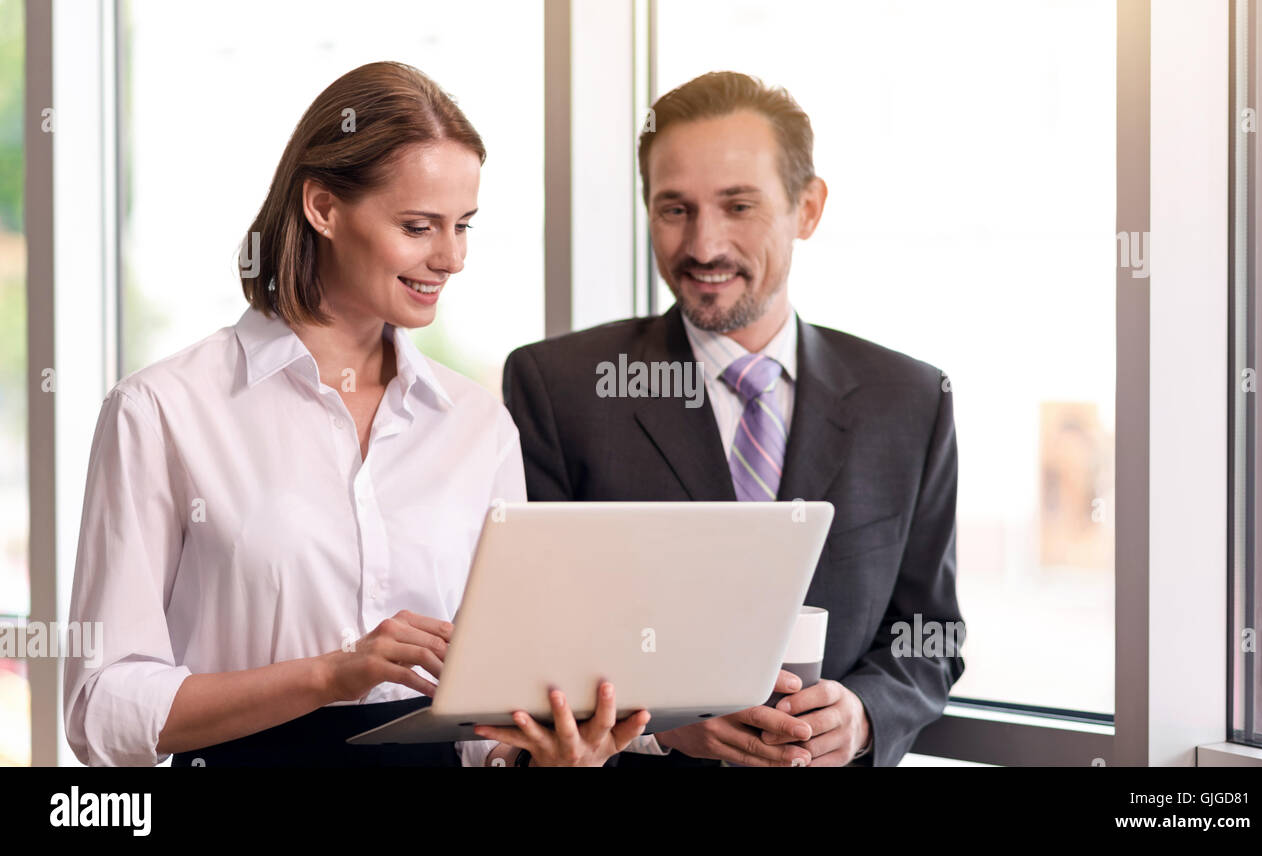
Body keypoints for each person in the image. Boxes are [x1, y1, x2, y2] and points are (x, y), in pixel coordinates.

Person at [63, 61, 648, 768]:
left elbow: (480, 731)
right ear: (323, 207)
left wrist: (547, 757)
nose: (451, 257)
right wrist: (332, 674)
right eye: (418, 225)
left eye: (463, 226)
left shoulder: (477, 427)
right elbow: (100, 707)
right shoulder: (162, 410)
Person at [502, 71, 965, 767]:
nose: (704, 246)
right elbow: (529, 638)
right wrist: (663, 723)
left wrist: (866, 714)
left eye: (738, 206)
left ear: (807, 208)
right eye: (674, 209)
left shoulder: (910, 400)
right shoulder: (560, 388)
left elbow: (928, 634)